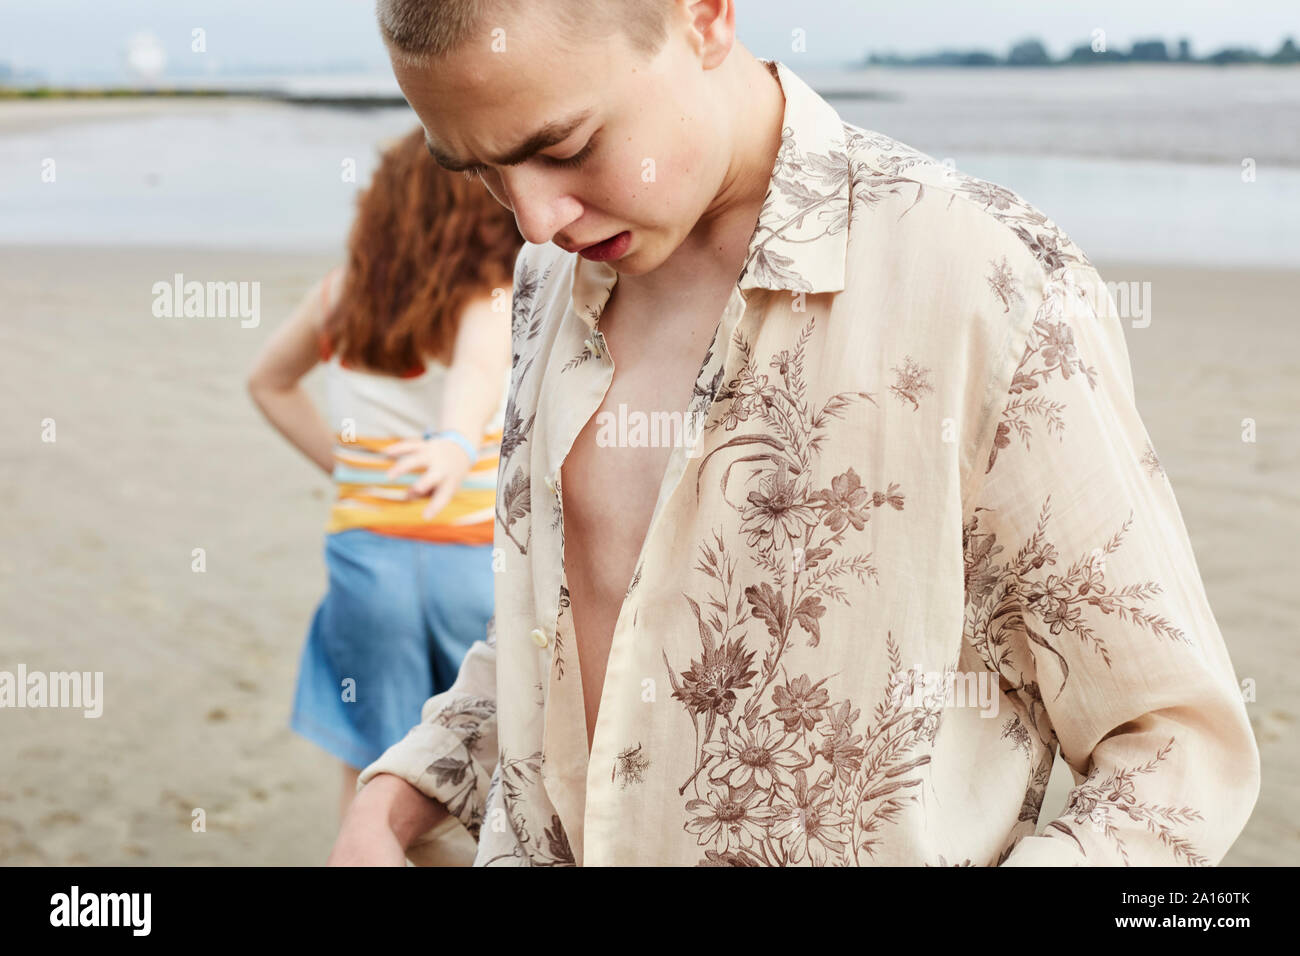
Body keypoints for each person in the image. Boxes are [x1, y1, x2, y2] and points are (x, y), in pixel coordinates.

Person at [329, 1, 1260, 866]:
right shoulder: (546, 280)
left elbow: (1176, 750)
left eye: (566, 146)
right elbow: (561, 625)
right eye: (481, 168)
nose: (533, 216)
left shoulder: (981, 278)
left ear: (704, 16)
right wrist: (399, 793)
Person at [247, 125, 520, 826]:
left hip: (367, 560)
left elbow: (268, 383)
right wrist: (455, 444)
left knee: (375, 765)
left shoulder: (340, 296)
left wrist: (347, 471)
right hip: (471, 560)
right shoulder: (488, 298)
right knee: (484, 757)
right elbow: (479, 374)